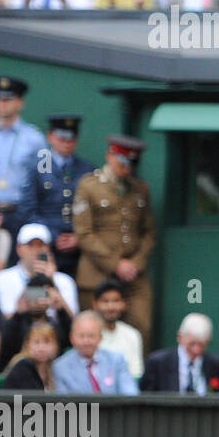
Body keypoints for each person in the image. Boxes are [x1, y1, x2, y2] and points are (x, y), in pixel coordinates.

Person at [73, 134, 155, 348]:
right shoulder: (89, 186)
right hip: (97, 271)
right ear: (110, 155)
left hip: (133, 275)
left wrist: (135, 263)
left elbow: (149, 233)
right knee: (92, 332)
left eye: (133, 163)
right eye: (123, 161)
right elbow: (84, 233)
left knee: (141, 327)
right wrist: (115, 264)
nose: (127, 167)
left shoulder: (140, 189)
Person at [17, 113, 92, 276]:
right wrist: (52, 235)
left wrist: (77, 237)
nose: (66, 143)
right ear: (50, 137)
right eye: (62, 138)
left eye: (71, 138)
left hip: (79, 246)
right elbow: (28, 209)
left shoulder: (87, 169)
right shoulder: (38, 167)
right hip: (45, 243)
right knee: (40, 291)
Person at [0, 76, 46, 245]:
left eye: (8, 99)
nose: (3, 103)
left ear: (20, 103)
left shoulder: (36, 138)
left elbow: (45, 175)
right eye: (0, 99)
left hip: (19, 213)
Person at [141, 313, 219, 393]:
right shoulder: (157, 363)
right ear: (180, 337)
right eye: (192, 344)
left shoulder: (218, 365)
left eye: (201, 345)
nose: (196, 350)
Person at [52, 310, 136, 394]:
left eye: (91, 336)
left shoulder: (116, 360)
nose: (86, 341)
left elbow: (130, 393)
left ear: (100, 337)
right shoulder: (60, 366)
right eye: (81, 336)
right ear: (71, 338)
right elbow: (63, 402)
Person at [93, 278, 142, 379]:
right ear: (95, 305)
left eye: (116, 301)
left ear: (124, 304)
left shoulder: (132, 334)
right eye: (105, 301)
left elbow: (136, 372)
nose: (111, 307)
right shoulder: (88, 334)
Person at [1, 320, 60, 390]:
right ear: (27, 345)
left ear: (55, 345)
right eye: (36, 342)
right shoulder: (22, 366)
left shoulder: (55, 367)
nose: (41, 348)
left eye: (47, 342)